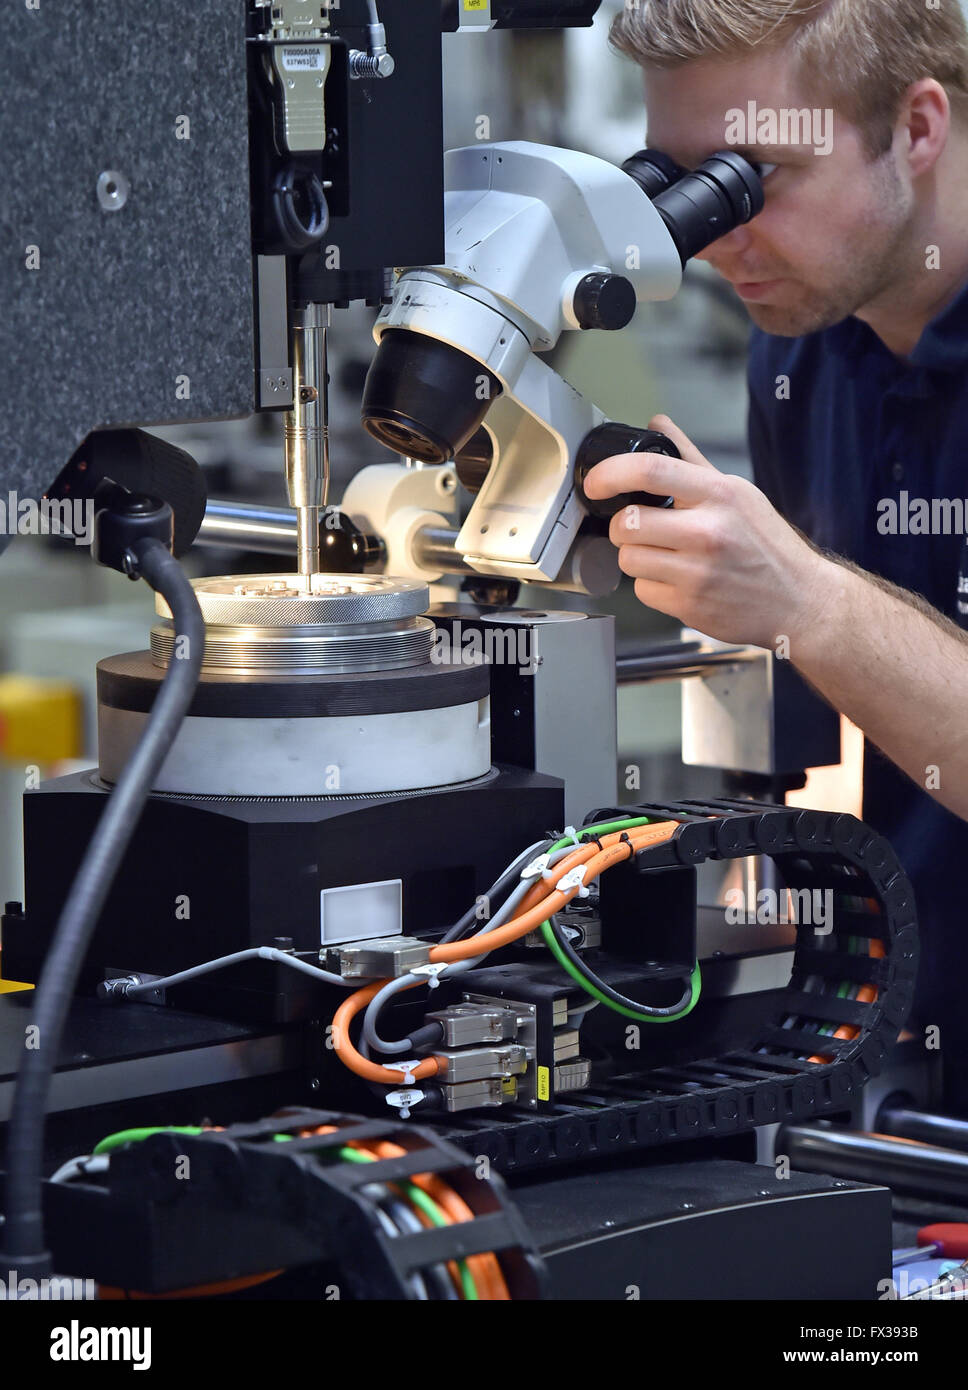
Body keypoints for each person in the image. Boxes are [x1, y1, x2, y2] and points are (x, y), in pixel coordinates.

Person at [583, 0, 968, 1111]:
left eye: (749, 180)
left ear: (916, 126)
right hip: (911, 1065)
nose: (712, 237)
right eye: (680, 183)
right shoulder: (804, 350)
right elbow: (800, 746)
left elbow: (822, 621)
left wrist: (807, 601)